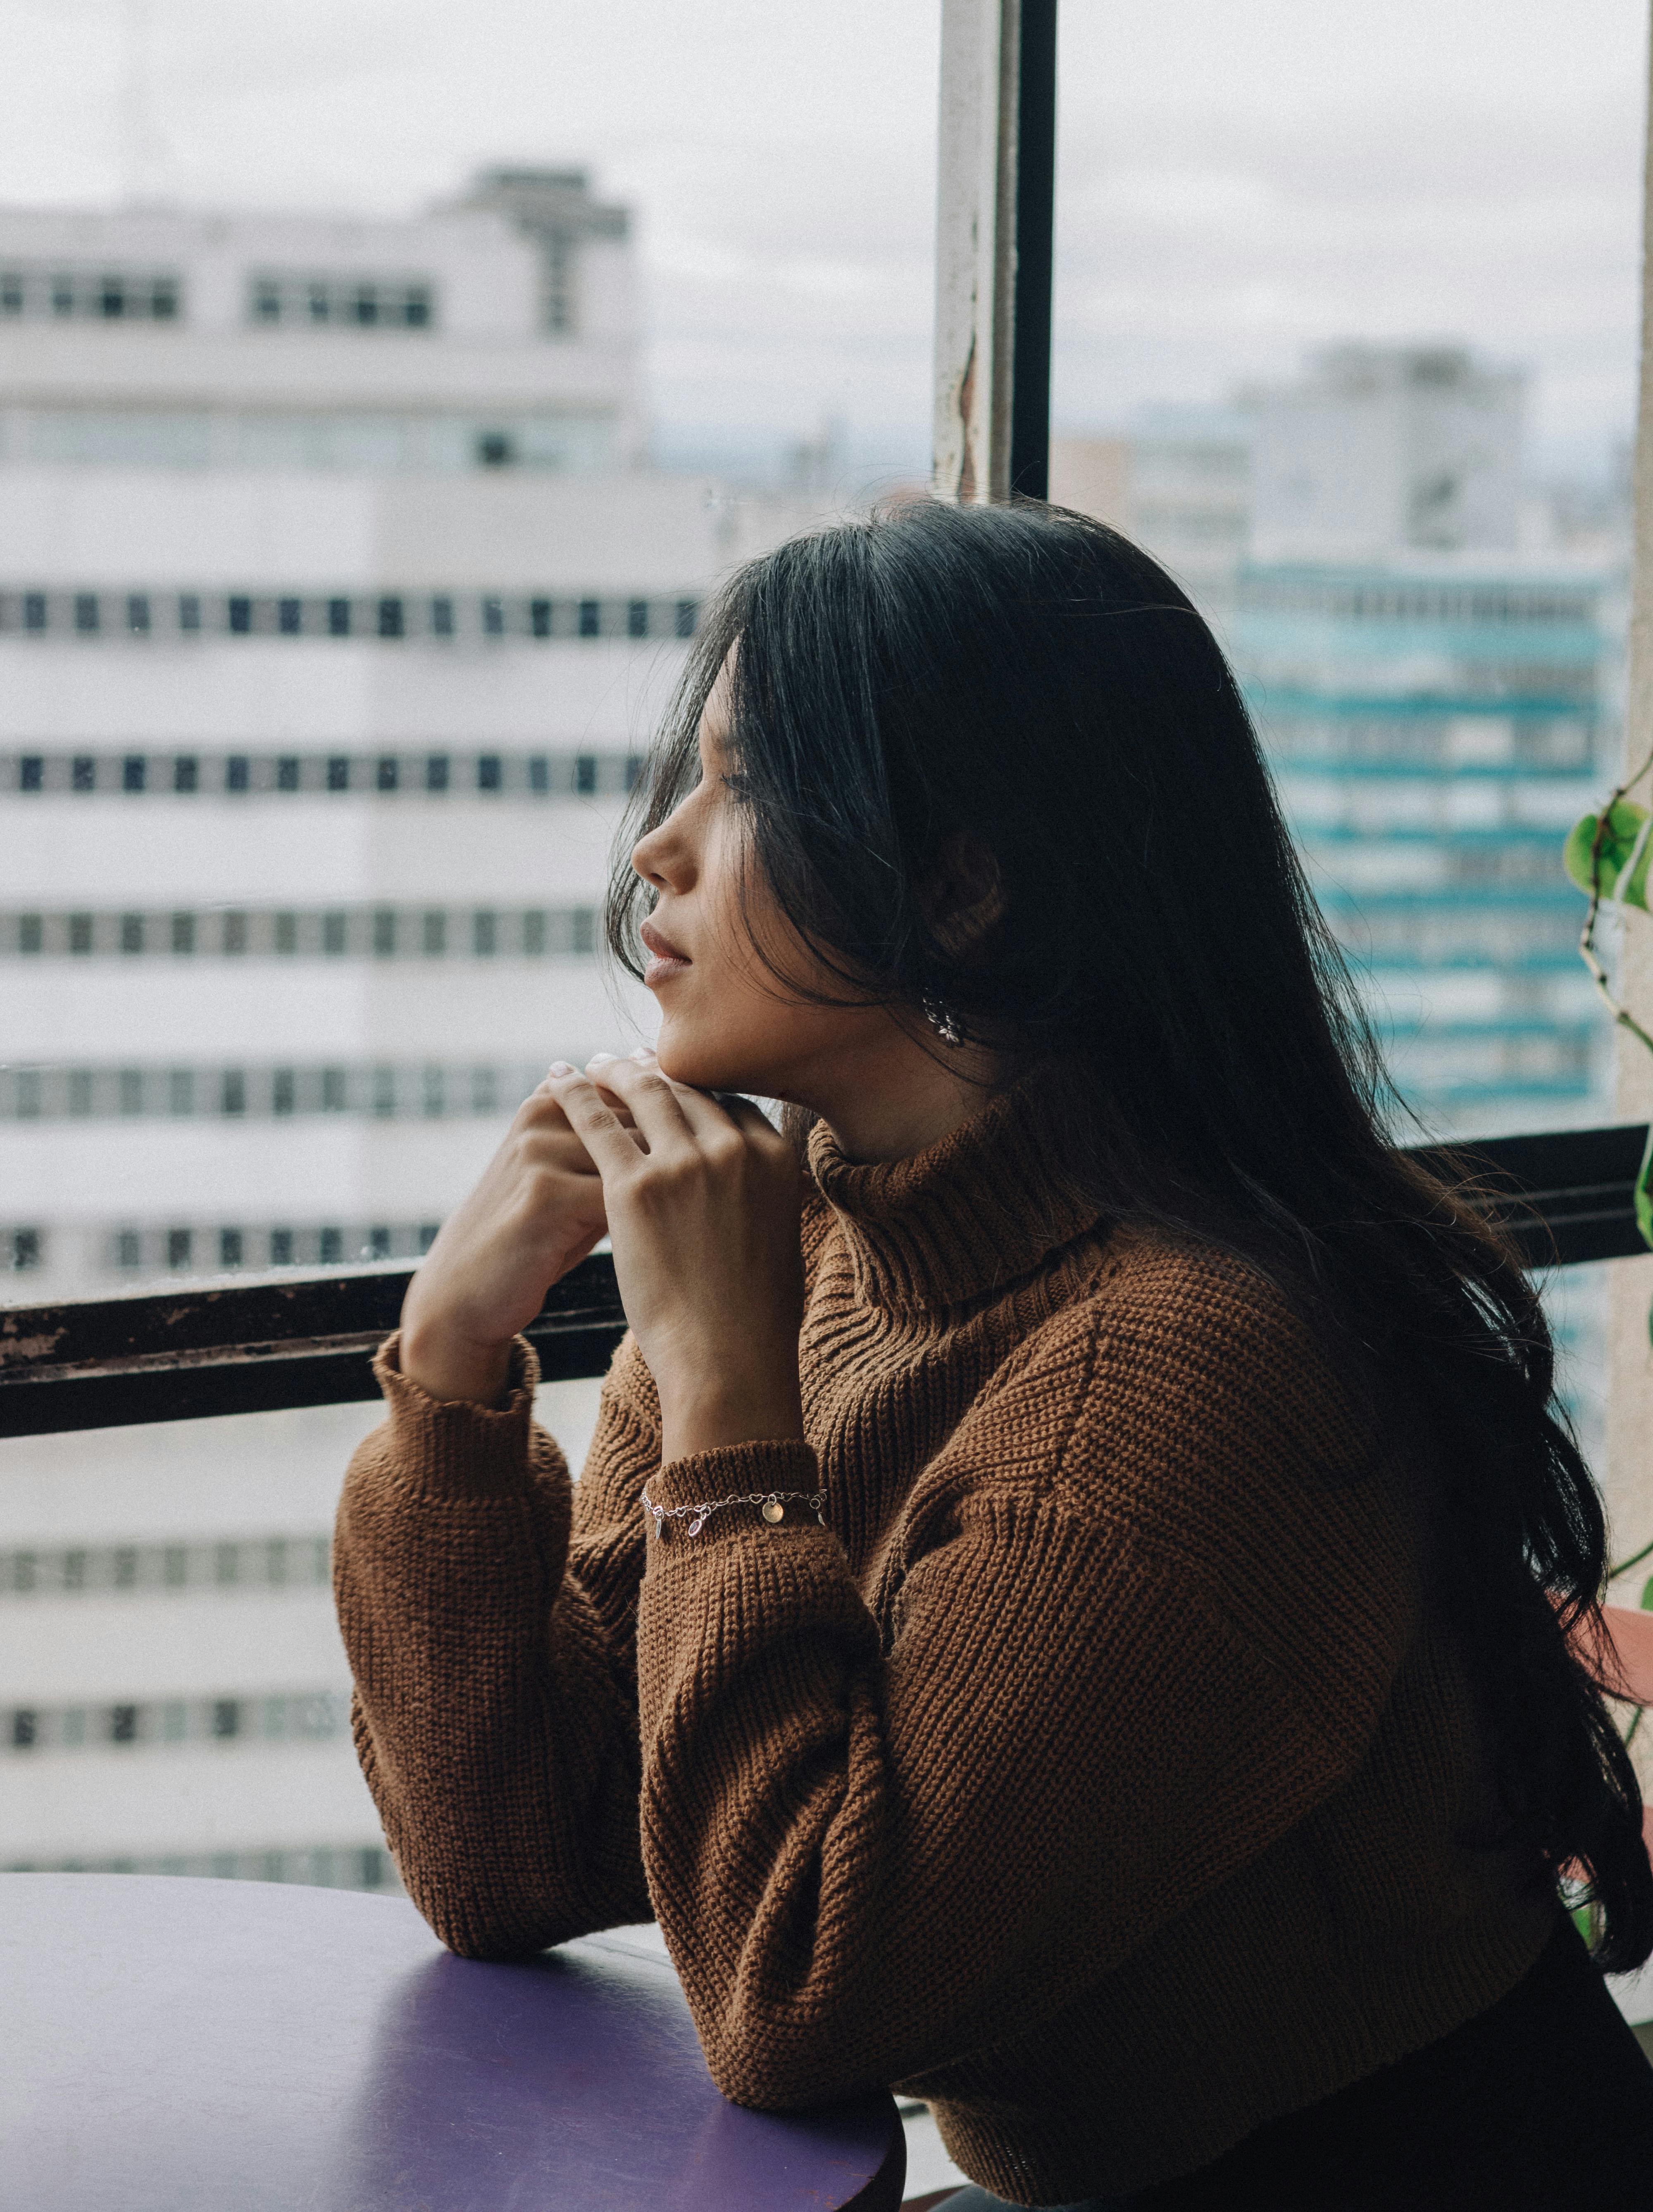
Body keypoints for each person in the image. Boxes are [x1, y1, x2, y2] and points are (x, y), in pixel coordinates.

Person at [333, 500, 1653, 2209]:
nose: (655, 850)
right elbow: (518, 1854)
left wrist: (728, 1404)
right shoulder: (796, 1233)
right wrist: (446, 1372)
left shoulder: (1183, 1369)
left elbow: (801, 1994)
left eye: (742, 788)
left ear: (959, 889)